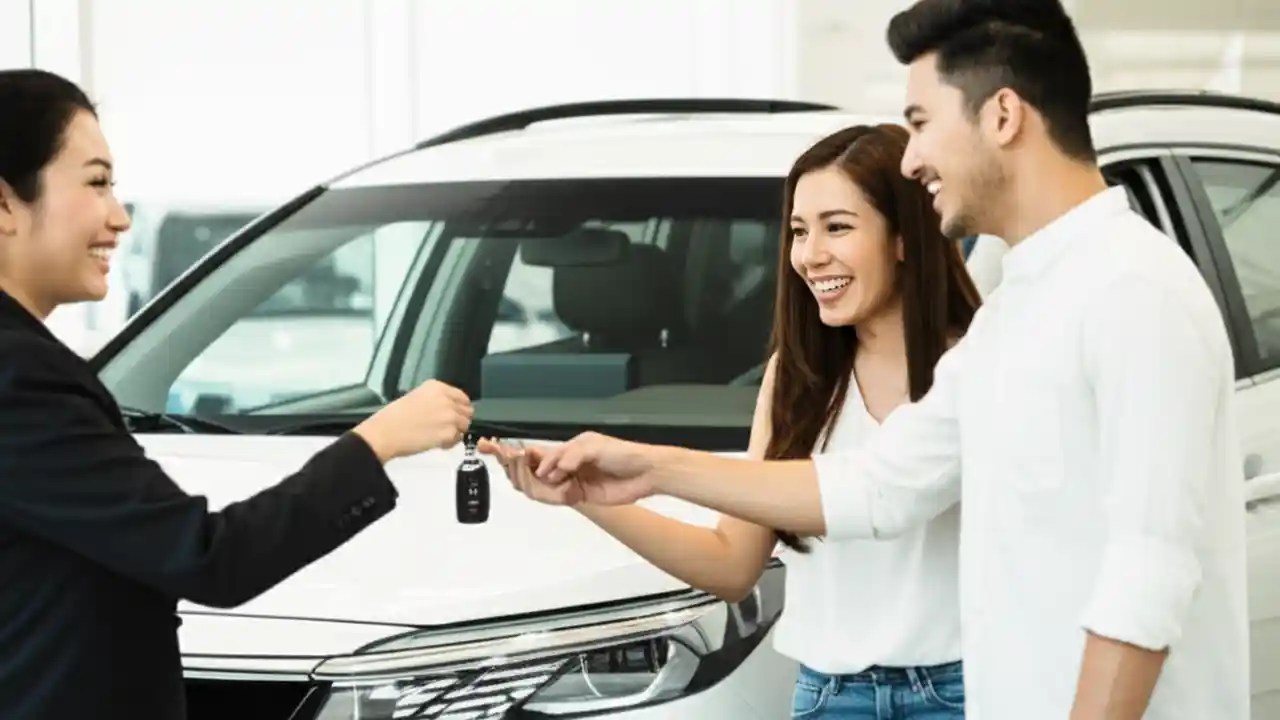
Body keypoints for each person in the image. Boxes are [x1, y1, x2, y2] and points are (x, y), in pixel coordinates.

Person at [511, 1, 1249, 718]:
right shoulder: (1022, 307)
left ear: (1002, 116)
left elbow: (1147, 575)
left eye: (923, 123)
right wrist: (649, 469)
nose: (915, 156)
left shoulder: (1133, 289)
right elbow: (879, 489)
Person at [0, 68, 474, 720]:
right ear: (4, 205)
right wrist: (379, 439)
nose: (120, 216)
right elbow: (209, 557)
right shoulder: (20, 378)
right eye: (98, 182)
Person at [486, 124, 982, 719]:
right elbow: (731, 563)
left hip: (965, 695)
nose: (810, 254)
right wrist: (585, 497)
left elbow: (876, 494)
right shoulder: (797, 377)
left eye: (838, 227)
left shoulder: (977, 366)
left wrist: (653, 465)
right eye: (799, 231)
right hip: (831, 699)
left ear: (904, 237)